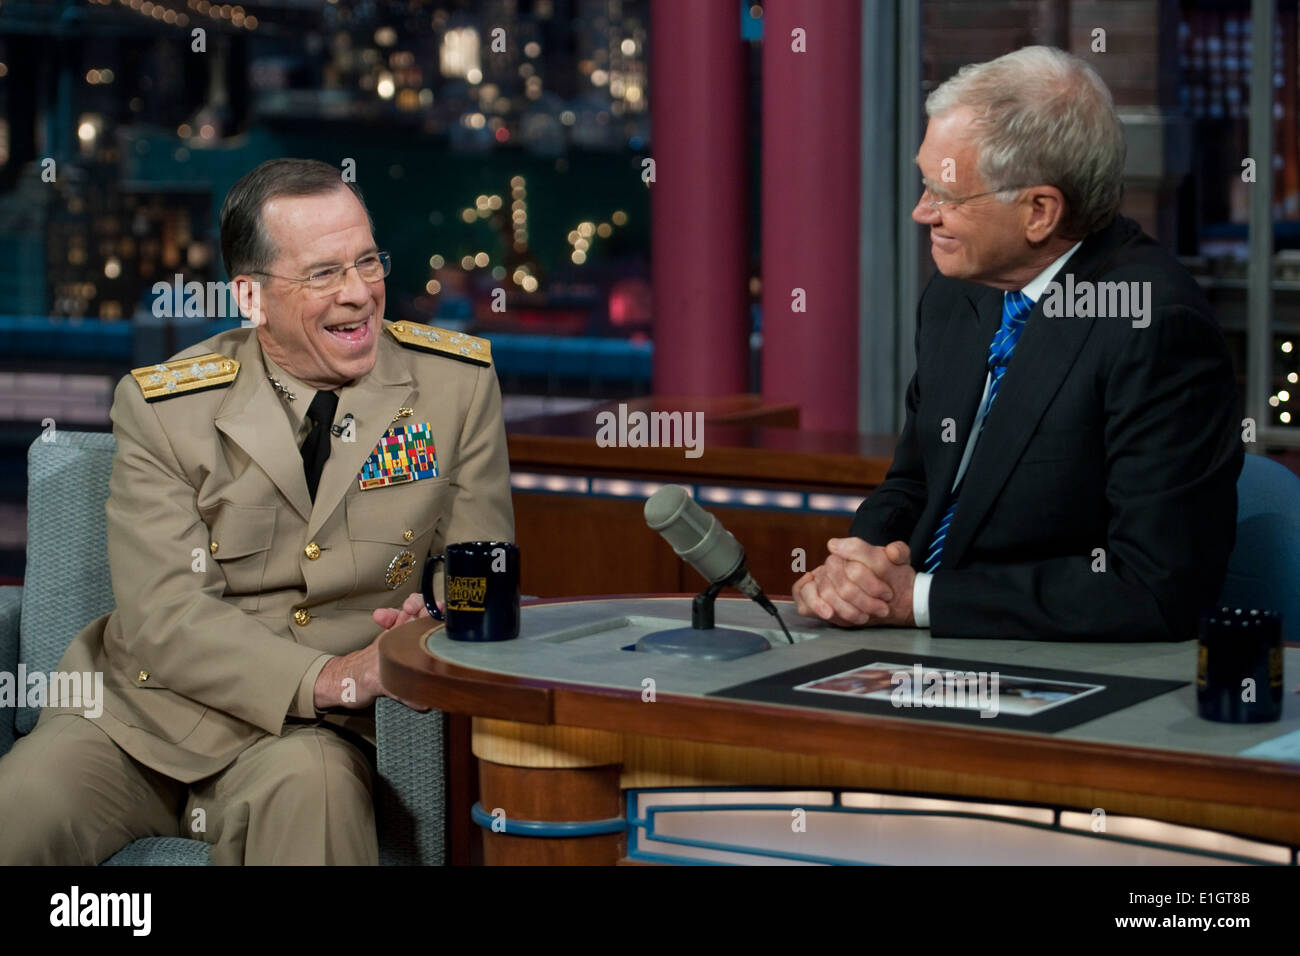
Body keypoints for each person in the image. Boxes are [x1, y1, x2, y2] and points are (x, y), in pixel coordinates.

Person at [0, 158, 514, 864]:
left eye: (368, 261)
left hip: (312, 739)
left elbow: (480, 577)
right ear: (250, 297)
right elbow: (164, 617)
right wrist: (331, 675)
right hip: (136, 720)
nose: (360, 294)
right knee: (19, 809)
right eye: (324, 273)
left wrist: (435, 621)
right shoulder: (164, 408)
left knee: (319, 795)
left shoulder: (456, 386)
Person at [793, 46, 1242, 643]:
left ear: (1039, 211)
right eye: (925, 182)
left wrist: (920, 600)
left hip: (1055, 672)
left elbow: (1155, 589)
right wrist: (853, 573)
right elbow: (916, 482)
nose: (921, 212)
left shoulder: (1154, 323)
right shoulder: (959, 293)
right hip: (918, 643)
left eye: (948, 195)